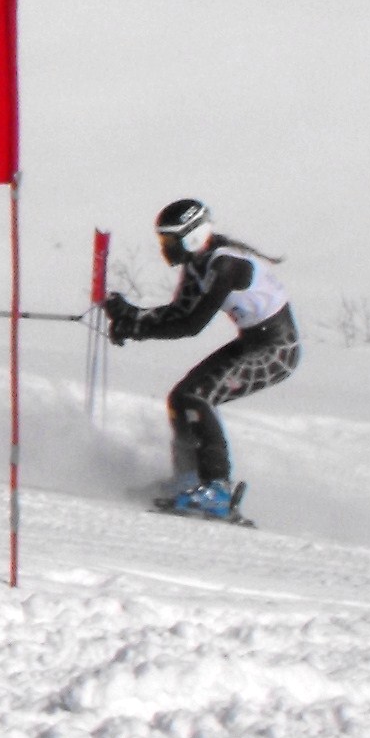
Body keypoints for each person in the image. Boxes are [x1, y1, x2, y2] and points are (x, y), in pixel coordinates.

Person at [104, 197, 298, 520]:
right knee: (181, 398)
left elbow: (192, 324)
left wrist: (136, 328)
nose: (166, 247)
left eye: (170, 239)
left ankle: (218, 489)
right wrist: (132, 315)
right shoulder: (199, 263)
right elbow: (179, 311)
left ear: (192, 234)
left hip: (276, 347)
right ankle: (187, 480)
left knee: (198, 398)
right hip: (255, 339)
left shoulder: (224, 266)